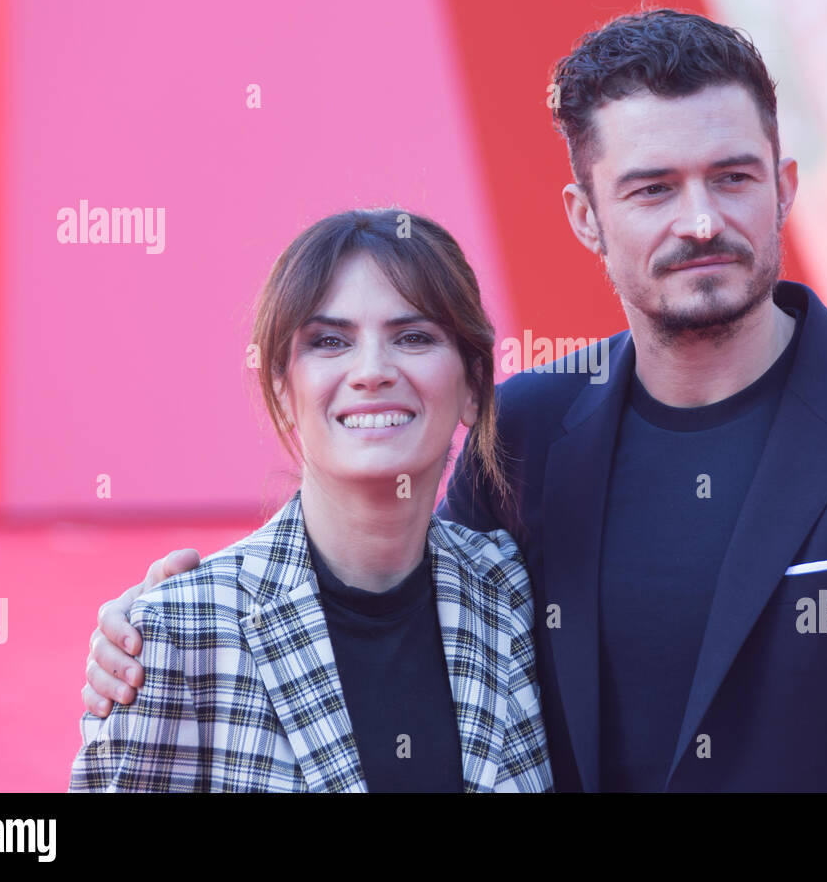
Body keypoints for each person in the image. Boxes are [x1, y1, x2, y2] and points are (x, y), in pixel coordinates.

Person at [82, 9, 827, 791]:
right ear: (584, 216)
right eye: (651, 189)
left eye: (732, 177)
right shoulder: (533, 434)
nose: (701, 220)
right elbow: (399, 599)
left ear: (785, 185)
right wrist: (178, 617)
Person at [70, 209, 552, 792]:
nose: (371, 371)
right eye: (330, 342)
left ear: (474, 386)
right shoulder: (179, 633)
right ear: (284, 390)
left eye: (414, 337)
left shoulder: (514, 592)